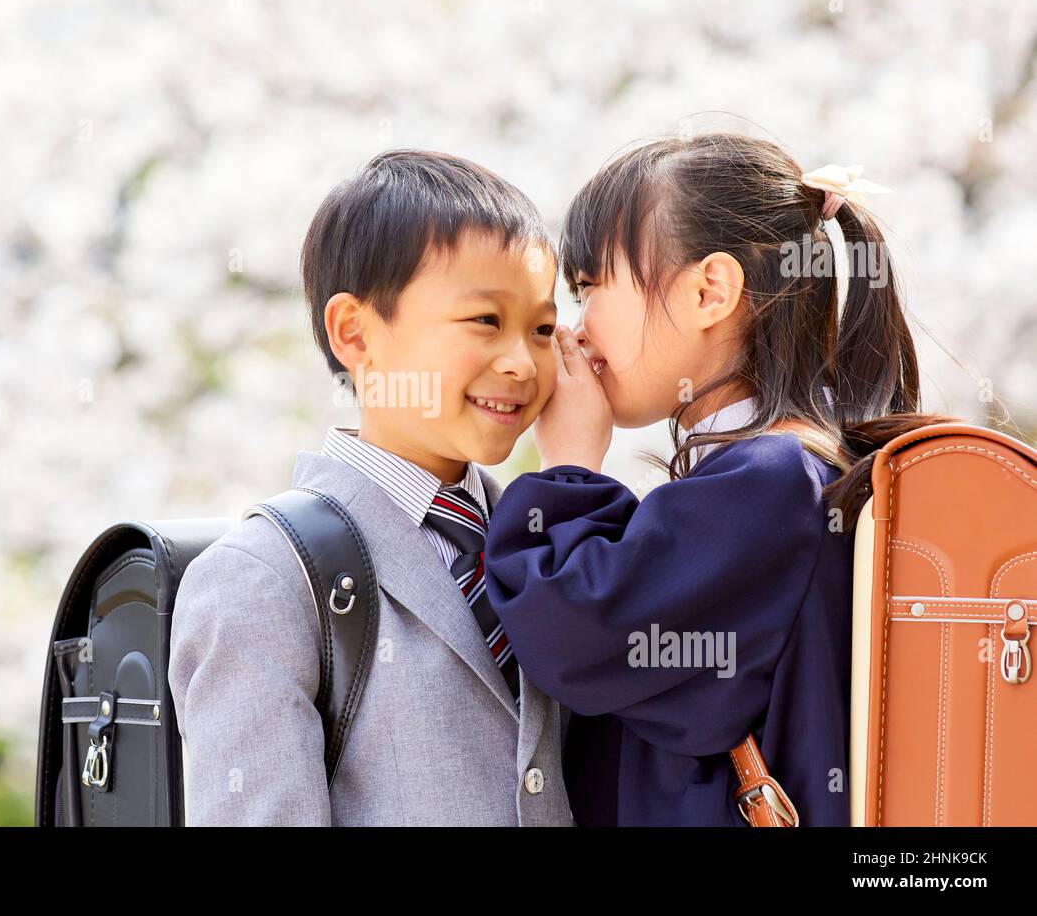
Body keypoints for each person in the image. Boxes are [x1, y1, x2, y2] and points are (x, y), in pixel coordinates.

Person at [483, 133, 956, 825]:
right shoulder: (792, 473)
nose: (577, 329)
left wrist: (569, 467)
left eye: (592, 287)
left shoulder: (771, 482)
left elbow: (576, 632)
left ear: (711, 291)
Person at [169, 149, 575, 825]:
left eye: (542, 329)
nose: (520, 362)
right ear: (355, 332)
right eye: (485, 321)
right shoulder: (262, 580)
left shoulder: (556, 549)